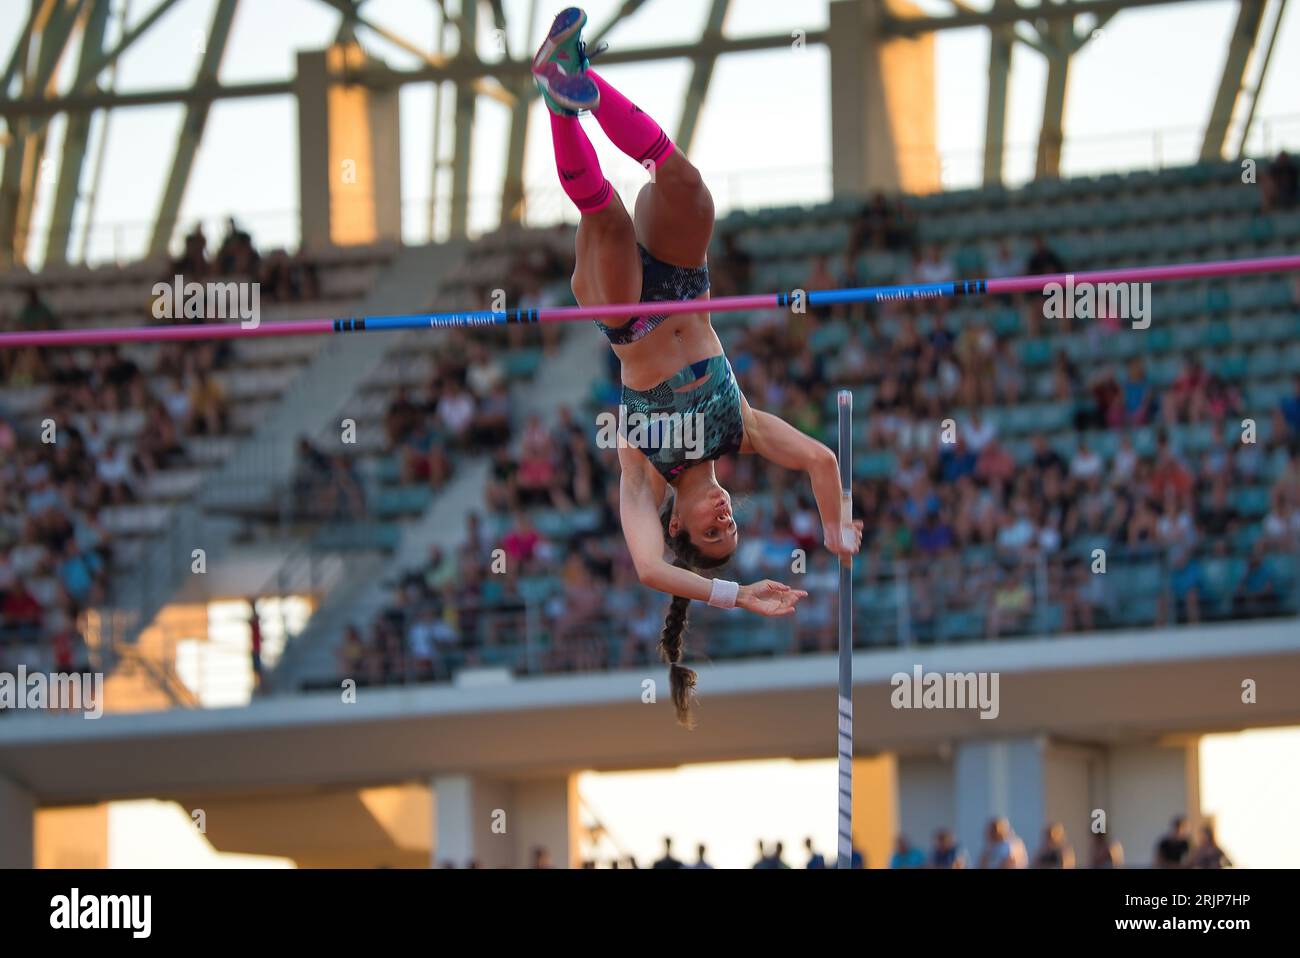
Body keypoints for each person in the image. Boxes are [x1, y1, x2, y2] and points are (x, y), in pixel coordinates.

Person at [533, 8, 860, 728]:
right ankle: (573, 78)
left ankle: (558, 108)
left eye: (712, 533)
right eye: (732, 524)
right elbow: (822, 461)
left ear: (679, 524)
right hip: (683, 287)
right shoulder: (740, 429)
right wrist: (836, 532)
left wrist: (737, 594)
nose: (723, 516)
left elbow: (651, 572)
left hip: (625, 314)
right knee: (684, 183)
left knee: (610, 219)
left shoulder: (643, 476)